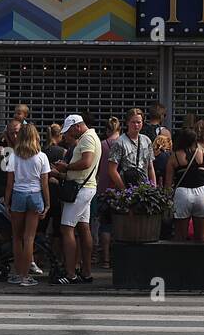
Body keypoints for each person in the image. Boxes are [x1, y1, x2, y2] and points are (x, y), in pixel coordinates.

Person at [52, 114, 100, 284]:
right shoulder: (92, 136)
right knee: (83, 228)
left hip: (80, 188)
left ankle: (70, 273)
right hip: (86, 186)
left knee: (66, 229)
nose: (69, 135)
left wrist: (66, 166)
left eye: (70, 131)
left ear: (77, 126)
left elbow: (86, 162)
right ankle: (86, 272)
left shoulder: (87, 139)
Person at [4, 123, 51, 286]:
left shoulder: (12, 156)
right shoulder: (42, 157)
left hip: (18, 194)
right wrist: (47, 203)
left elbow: (9, 183)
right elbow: (44, 183)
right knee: (29, 237)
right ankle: (26, 276)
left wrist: (6, 201)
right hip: (35, 194)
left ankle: (18, 273)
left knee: (16, 237)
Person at [166, 125, 204, 243]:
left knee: (180, 237)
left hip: (182, 193)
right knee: (202, 238)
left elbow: (168, 185)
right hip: (203, 192)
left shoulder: (174, 157)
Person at [96, 116, 121, 269]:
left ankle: (105, 259)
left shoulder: (102, 145)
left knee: (104, 225)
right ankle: (116, 257)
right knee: (119, 225)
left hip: (103, 188)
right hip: (120, 188)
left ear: (106, 130)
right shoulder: (123, 143)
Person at [108, 109, 155, 190]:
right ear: (127, 123)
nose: (136, 125)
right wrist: (124, 190)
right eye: (133, 122)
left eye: (139, 122)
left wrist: (153, 187)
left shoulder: (146, 141)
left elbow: (150, 167)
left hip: (144, 186)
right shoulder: (120, 142)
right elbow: (112, 170)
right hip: (126, 184)